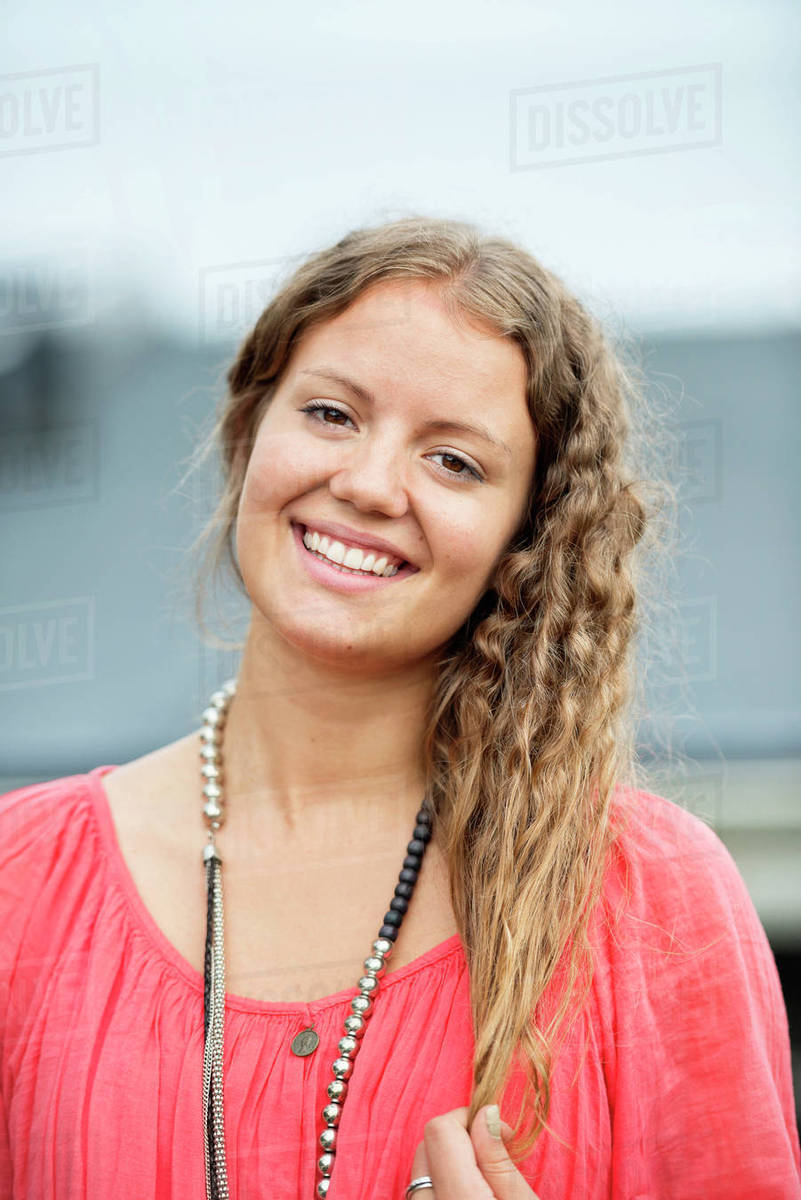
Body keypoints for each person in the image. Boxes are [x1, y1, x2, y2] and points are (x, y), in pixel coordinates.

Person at [1, 216, 799, 1200]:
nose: (370, 485)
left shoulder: (656, 908)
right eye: (332, 414)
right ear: (249, 432)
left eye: (455, 461)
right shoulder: (21, 886)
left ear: (524, 540)